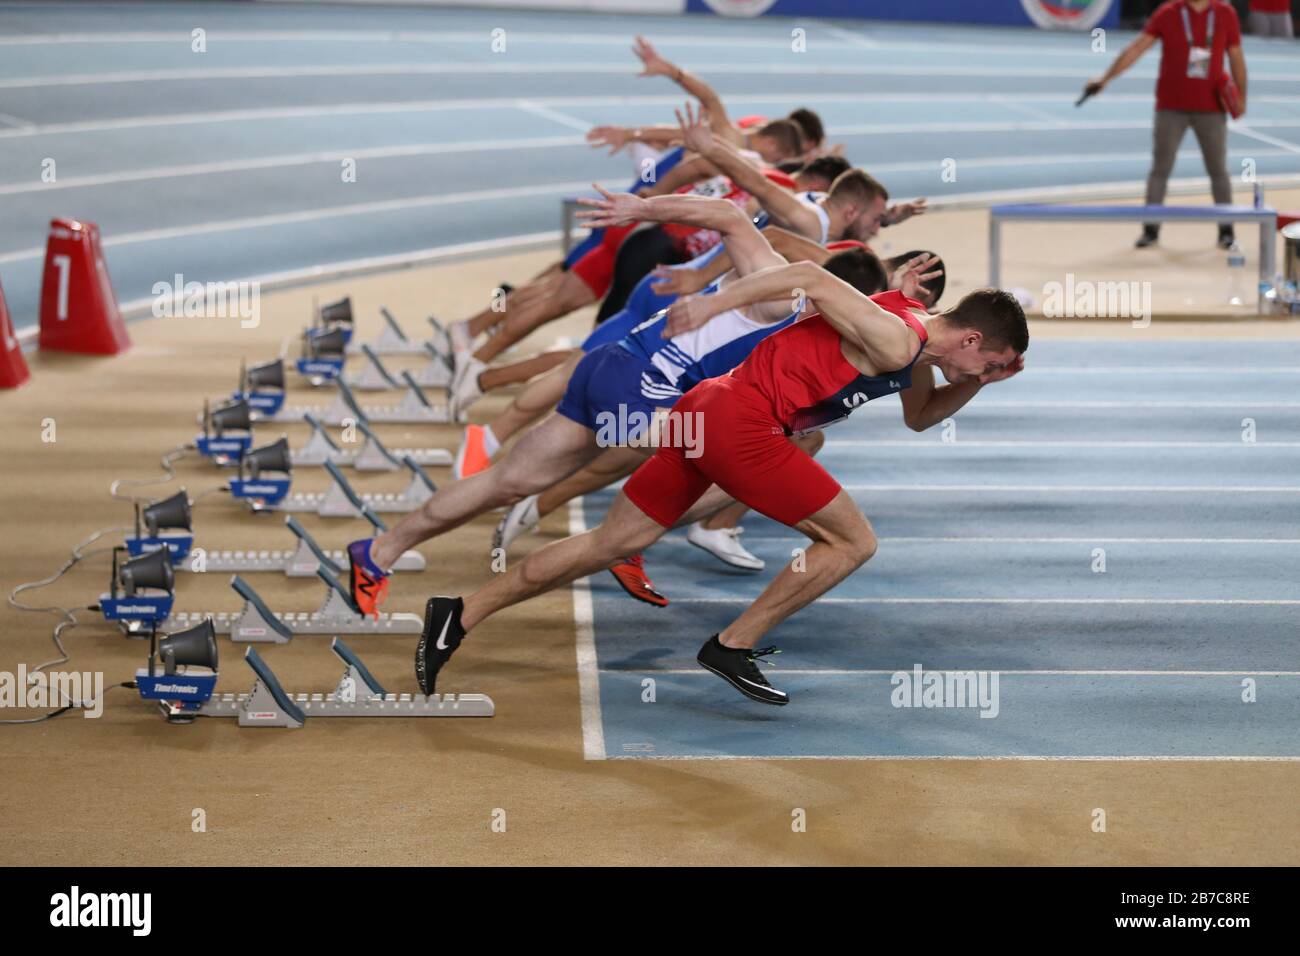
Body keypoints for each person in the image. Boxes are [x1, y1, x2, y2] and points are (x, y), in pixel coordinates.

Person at [411, 272, 1028, 705]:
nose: (987, 374)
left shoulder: (908, 337)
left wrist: (981, 382)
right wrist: (712, 305)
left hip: (707, 410)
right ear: (972, 339)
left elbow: (920, 418)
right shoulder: (899, 339)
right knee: (853, 543)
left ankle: (458, 615)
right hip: (743, 422)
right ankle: (733, 645)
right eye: (991, 363)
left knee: (611, 541)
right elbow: (811, 275)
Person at [345, 191, 889, 618]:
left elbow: (732, 218)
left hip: (605, 367)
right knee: (729, 453)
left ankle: (379, 553)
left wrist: (643, 208)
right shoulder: (781, 300)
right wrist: (644, 208)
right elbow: (730, 214)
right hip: (638, 388)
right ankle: (632, 539)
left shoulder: (776, 279)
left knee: (506, 481)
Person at [1083, 0, 1248, 248]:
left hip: (1212, 109)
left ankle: (1226, 231)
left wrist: (1242, 96)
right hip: (1171, 107)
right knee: (1160, 170)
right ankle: (1151, 229)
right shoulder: (1168, 12)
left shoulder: (1225, 13)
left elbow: (1235, 55)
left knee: (1218, 171)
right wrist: (1106, 78)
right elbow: (1137, 48)